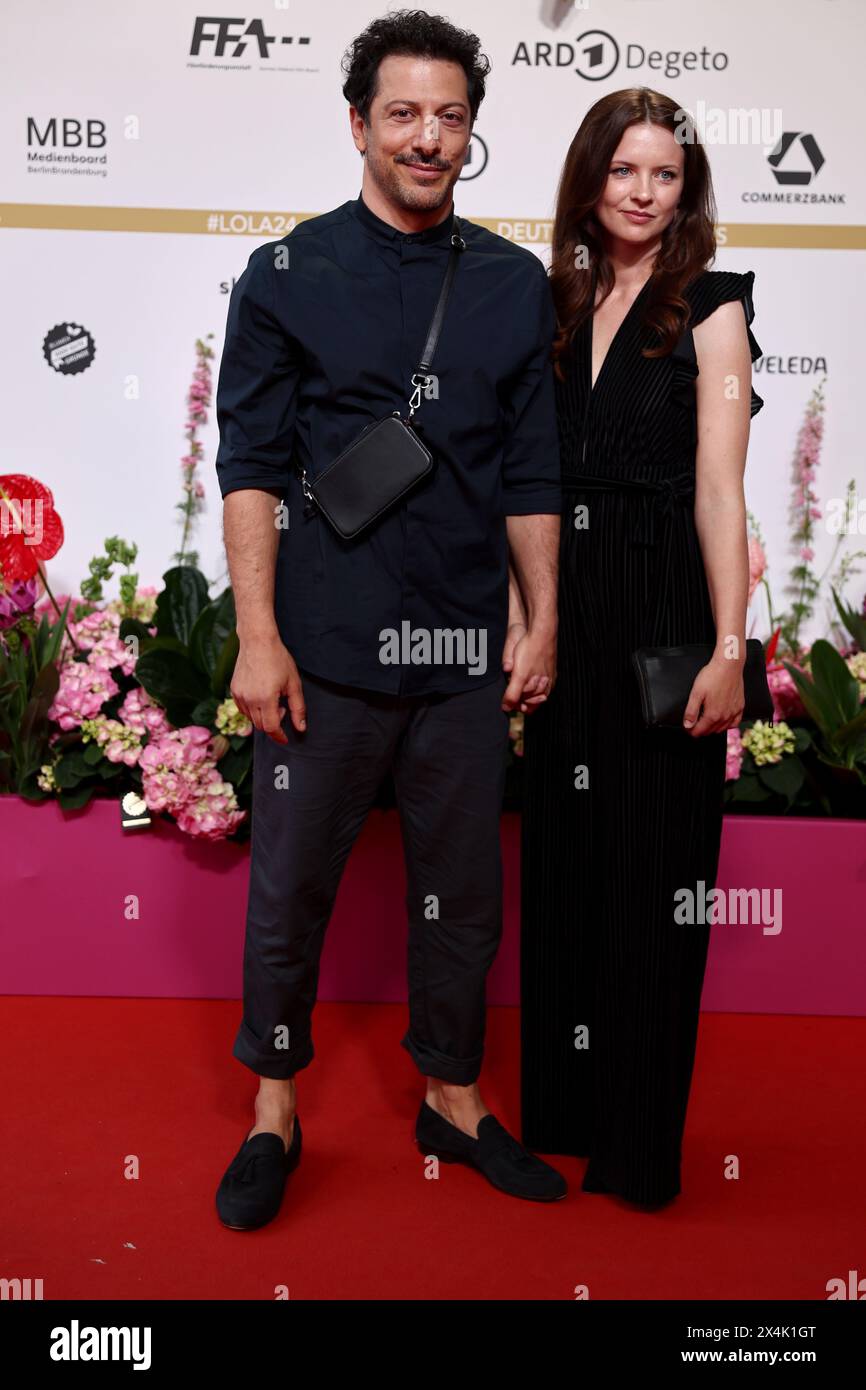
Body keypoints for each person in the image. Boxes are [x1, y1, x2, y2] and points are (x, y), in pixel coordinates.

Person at [213, 10, 567, 1230]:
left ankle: (451, 1099)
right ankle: (273, 1108)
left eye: (450, 116)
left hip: (466, 649)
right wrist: (257, 638)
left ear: (472, 133)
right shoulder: (285, 275)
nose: (428, 137)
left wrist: (542, 619)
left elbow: (531, 471)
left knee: (463, 894)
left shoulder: (514, 285)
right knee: (289, 890)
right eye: (403, 113)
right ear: (358, 123)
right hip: (323, 649)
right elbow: (250, 465)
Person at [518, 88, 764, 1207]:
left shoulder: (709, 307)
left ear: (685, 189)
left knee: (653, 876)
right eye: (623, 172)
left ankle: (637, 1143)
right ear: (589, 179)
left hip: (664, 602)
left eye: (663, 176)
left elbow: (720, 489)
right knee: (568, 863)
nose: (642, 193)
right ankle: (565, 1115)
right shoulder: (559, 301)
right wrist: (532, 618)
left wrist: (727, 645)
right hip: (572, 605)